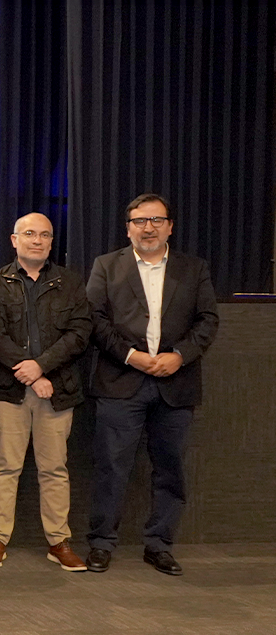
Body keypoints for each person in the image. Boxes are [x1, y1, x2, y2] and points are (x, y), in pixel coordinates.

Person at [85, 194, 219, 576]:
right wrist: (131, 356)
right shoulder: (106, 266)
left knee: (170, 469)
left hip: (175, 384)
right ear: (128, 227)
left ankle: (159, 544)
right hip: (120, 381)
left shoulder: (194, 269)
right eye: (140, 221)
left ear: (170, 226)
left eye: (157, 220)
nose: (149, 227)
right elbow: (94, 320)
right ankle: (101, 543)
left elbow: (207, 321)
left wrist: (180, 355)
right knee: (112, 467)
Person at [0, 212, 92, 572]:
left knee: (54, 468)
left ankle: (58, 541)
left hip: (57, 389)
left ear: (52, 242)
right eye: (29, 234)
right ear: (14, 240)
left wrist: (41, 367)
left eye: (44, 235)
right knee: (5, 466)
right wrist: (30, 373)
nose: (37, 240)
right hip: (8, 389)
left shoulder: (70, 282)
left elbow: (79, 333)